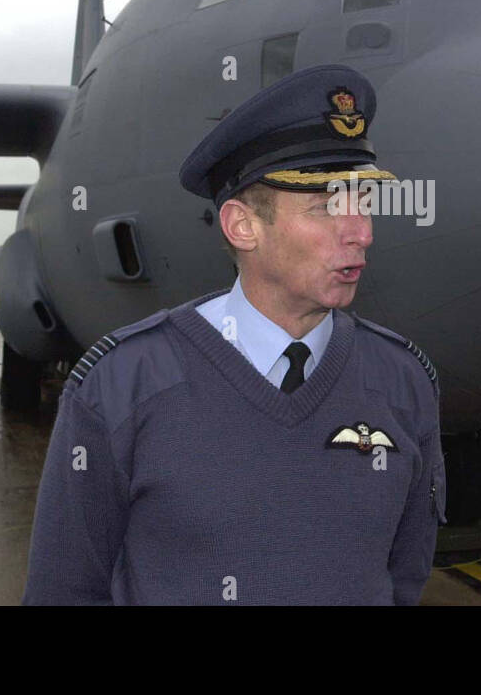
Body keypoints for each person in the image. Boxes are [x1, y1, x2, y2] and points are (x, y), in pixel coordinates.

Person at [23, 64, 445, 605]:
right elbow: (65, 591)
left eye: (363, 203)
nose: (361, 231)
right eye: (325, 207)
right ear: (242, 226)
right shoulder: (124, 386)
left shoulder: (403, 381)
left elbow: (403, 577)